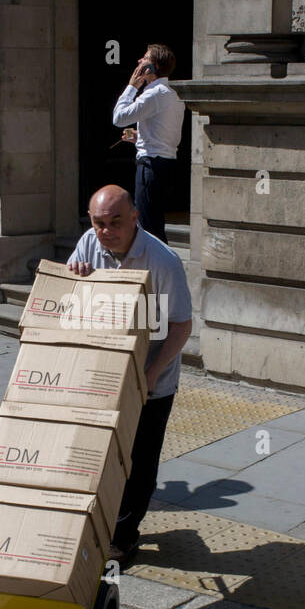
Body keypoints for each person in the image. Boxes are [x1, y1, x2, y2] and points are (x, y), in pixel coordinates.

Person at [66, 185, 192, 564]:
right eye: (99, 223)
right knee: (100, 454)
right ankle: (96, 522)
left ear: (135, 217)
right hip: (105, 372)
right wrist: (76, 275)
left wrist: (153, 374)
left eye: (115, 222)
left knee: (138, 461)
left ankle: (124, 536)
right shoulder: (89, 243)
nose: (106, 231)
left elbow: (182, 326)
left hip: (151, 377)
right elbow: (70, 295)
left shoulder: (163, 262)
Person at [111, 43, 185, 244]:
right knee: (154, 224)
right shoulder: (171, 93)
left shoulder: (154, 93)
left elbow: (118, 118)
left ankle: (157, 273)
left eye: (144, 58)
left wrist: (132, 86)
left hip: (151, 166)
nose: (139, 61)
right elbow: (166, 133)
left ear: (151, 68)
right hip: (165, 164)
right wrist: (140, 137)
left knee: (149, 230)